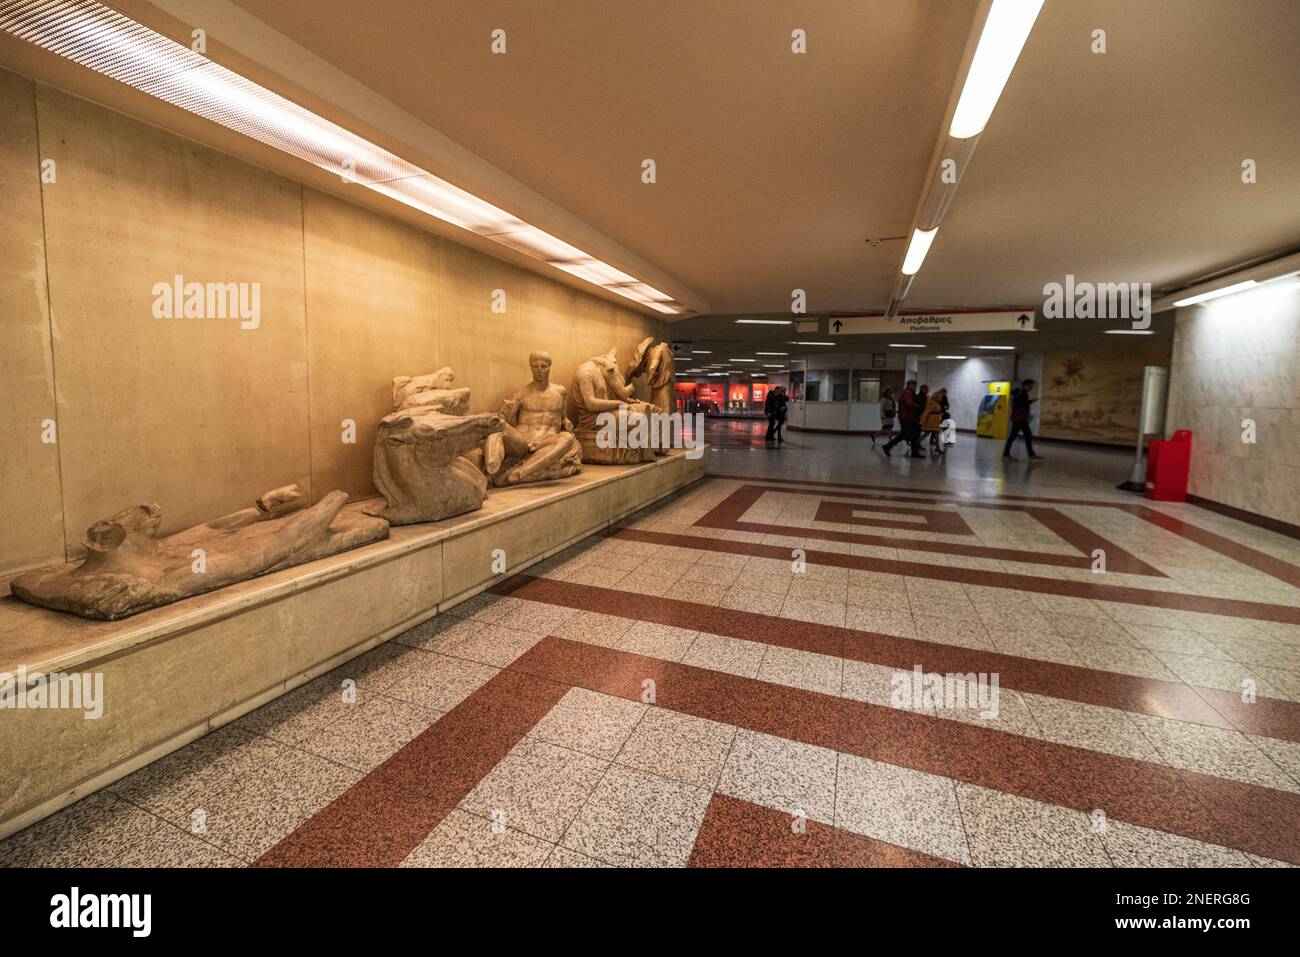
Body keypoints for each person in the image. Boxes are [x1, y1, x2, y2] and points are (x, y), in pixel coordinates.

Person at [882, 379, 923, 457]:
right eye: (914, 385)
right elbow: (910, 404)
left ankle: (914, 453)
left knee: (914, 434)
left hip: (910, 417)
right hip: (906, 417)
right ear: (910, 385)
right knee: (904, 434)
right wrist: (919, 406)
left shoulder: (911, 393)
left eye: (915, 385)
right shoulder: (907, 393)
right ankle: (887, 446)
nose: (915, 387)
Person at [1003, 379, 1043, 460]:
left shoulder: (1018, 392)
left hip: (1017, 417)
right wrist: (1031, 401)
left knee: (1013, 436)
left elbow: (1019, 403)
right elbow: (1019, 405)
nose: (1031, 388)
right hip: (1019, 418)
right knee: (1027, 435)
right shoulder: (1021, 393)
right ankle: (1030, 454)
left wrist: (1029, 402)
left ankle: (1006, 454)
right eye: (1031, 386)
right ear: (1026, 385)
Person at [920, 387, 947, 454]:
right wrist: (922, 421)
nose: (941, 398)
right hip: (931, 421)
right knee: (927, 434)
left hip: (935, 420)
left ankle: (937, 448)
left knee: (933, 434)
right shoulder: (932, 403)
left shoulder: (935, 403)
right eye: (940, 397)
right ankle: (915, 443)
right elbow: (926, 412)